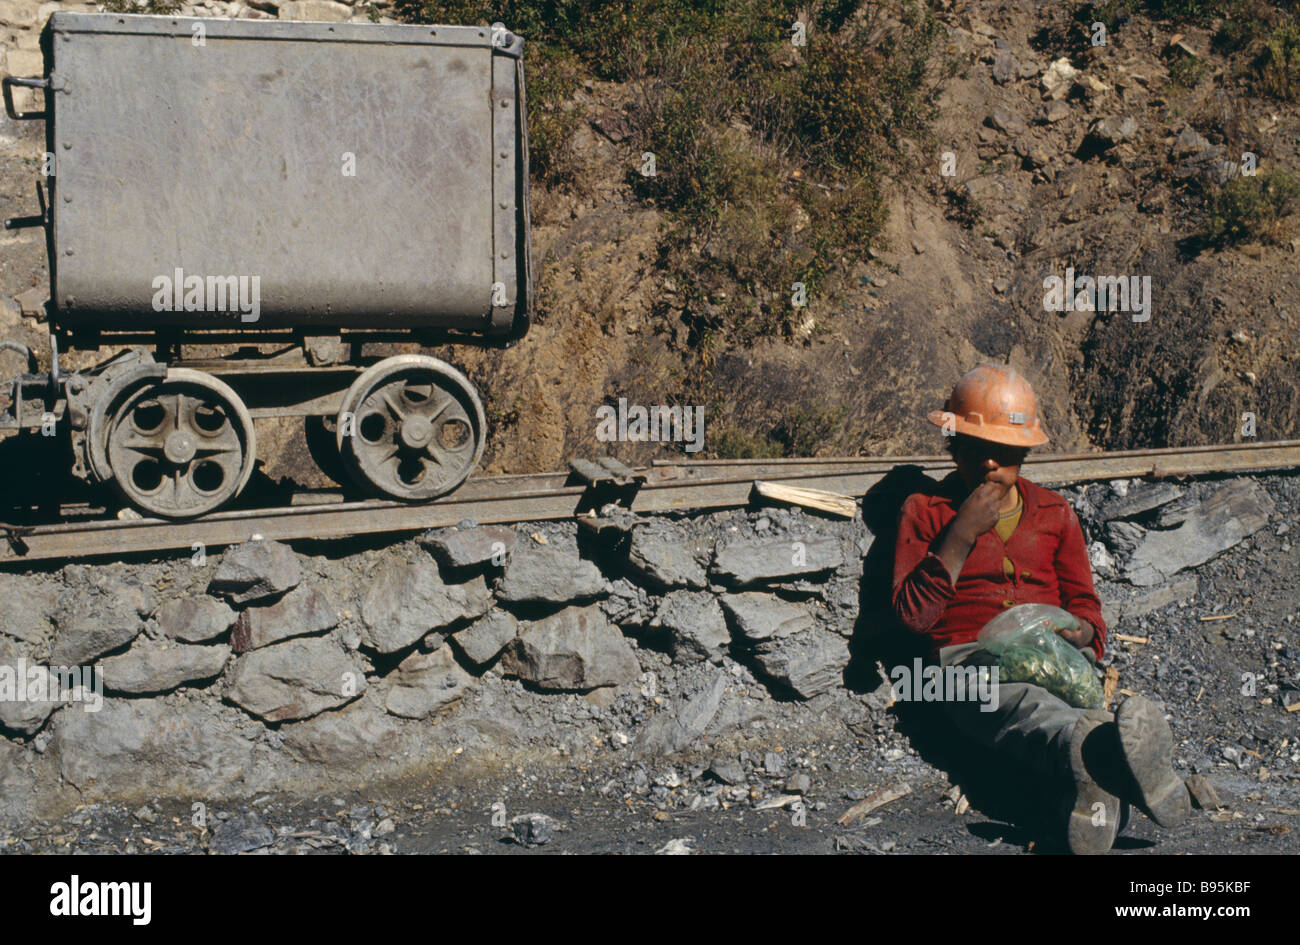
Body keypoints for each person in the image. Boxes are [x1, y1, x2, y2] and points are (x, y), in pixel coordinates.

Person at [891, 363, 1191, 854]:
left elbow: (1086, 606)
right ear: (953, 447)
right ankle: (1108, 753)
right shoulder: (927, 511)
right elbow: (912, 617)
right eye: (975, 450)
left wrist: (1081, 633)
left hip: (1054, 658)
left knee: (1059, 713)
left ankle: (1095, 793)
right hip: (966, 666)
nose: (990, 465)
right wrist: (961, 534)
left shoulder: (1054, 512)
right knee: (1024, 709)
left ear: (1025, 453)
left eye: (1004, 453)